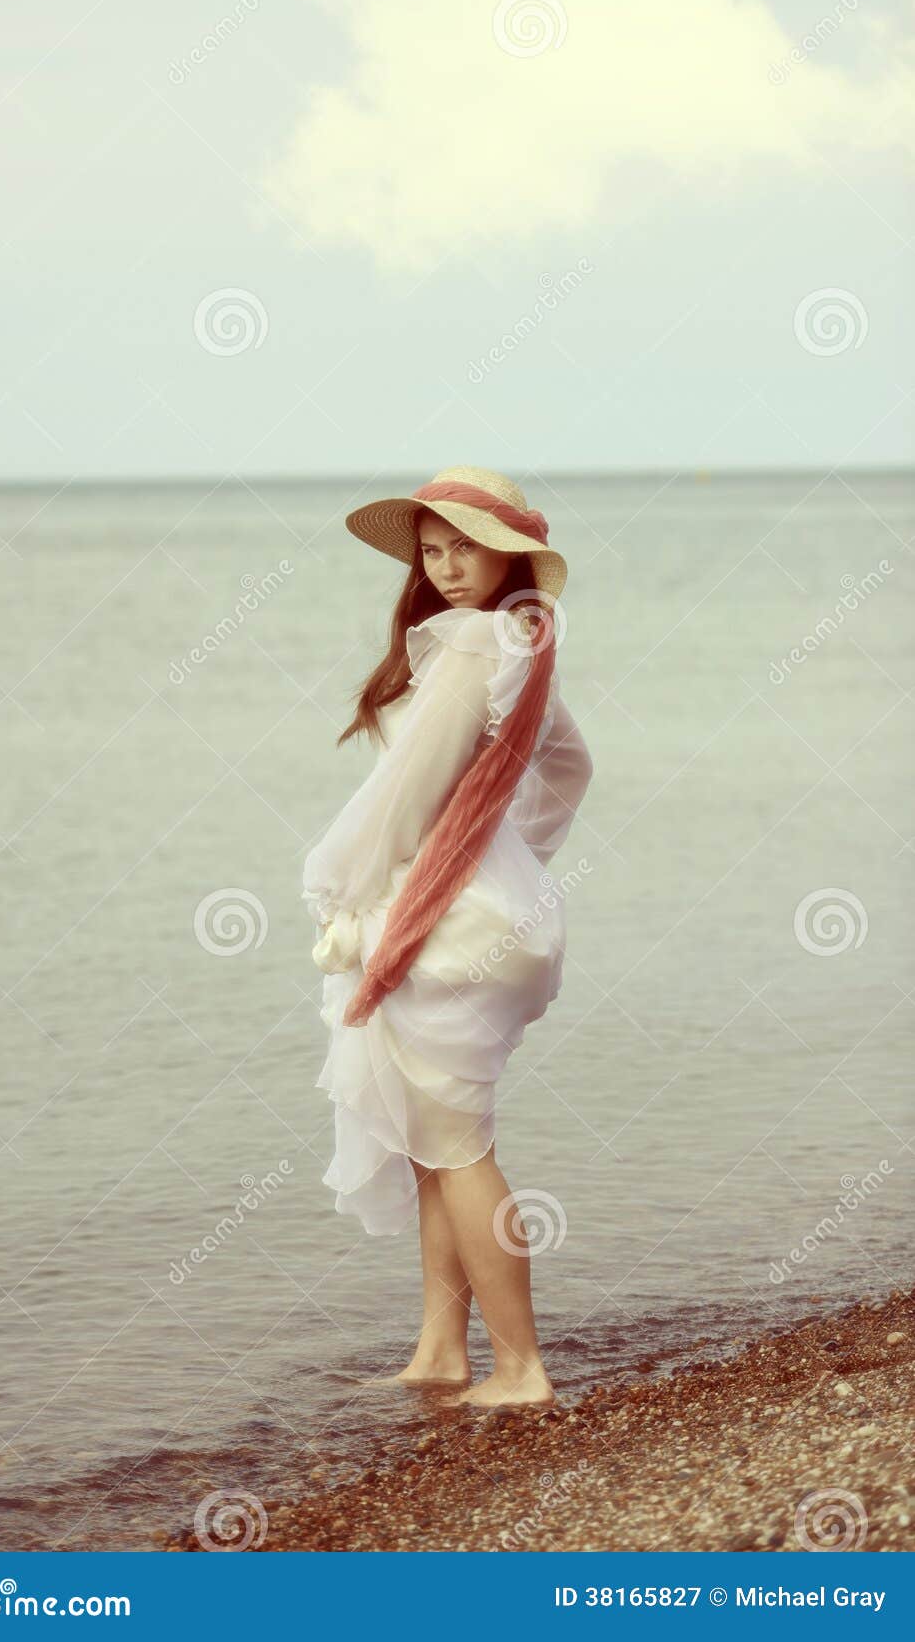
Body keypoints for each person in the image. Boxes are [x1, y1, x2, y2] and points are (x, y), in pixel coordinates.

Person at [301, 465, 594, 1408]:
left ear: (509, 552)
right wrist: (513, 858)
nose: (448, 563)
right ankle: (440, 1350)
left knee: (459, 1147)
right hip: (490, 910)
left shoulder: (477, 641)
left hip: (450, 921)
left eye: (466, 544)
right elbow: (569, 766)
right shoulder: (522, 638)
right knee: (436, 1138)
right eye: (433, 549)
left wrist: (335, 884)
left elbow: (405, 792)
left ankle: (521, 1368)